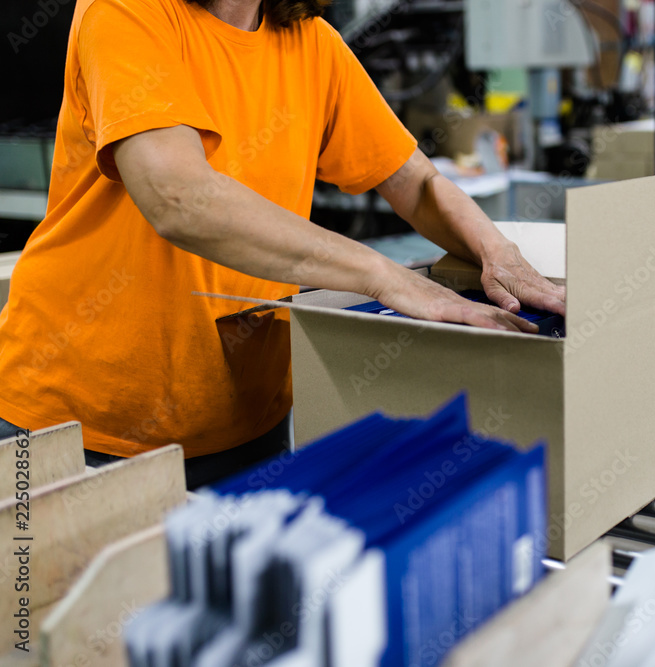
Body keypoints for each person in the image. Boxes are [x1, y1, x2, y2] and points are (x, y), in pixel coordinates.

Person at [0, 0, 565, 486]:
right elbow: (175, 195)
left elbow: (416, 183)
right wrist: (386, 276)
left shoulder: (311, 44)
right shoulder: (129, 11)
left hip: (247, 422)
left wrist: (499, 254)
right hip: (77, 425)